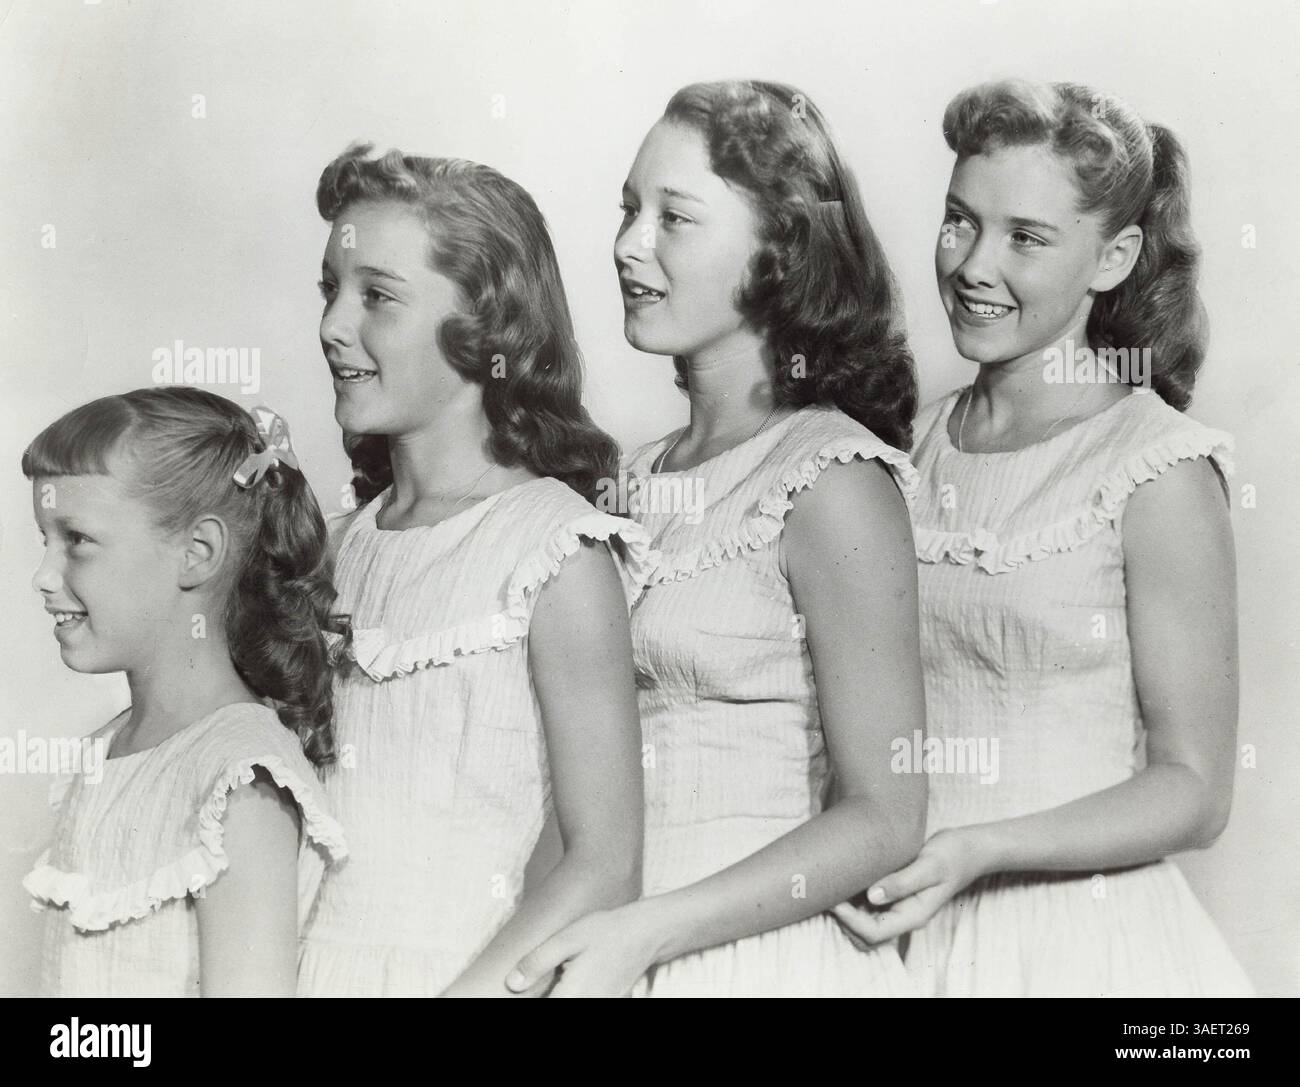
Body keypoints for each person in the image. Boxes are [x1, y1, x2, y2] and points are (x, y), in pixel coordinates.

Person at [834, 79, 1254, 997]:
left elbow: (1196, 787)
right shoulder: (896, 450)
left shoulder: (1159, 467)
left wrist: (984, 848)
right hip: (892, 932)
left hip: (1083, 947)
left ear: (1115, 257)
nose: (974, 264)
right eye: (958, 221)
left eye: (1025, 236)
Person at [508, 81, 926, 997]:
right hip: (608, 958)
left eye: (675, 218)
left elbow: (887, 816)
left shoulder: (833, 478)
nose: (628, 244)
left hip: (766, 965)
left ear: (780, 247)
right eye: (627, 209)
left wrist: (648, 931)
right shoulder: (622, 480)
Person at [297, 144, 652, 997]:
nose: (333, 326)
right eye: (331, 290)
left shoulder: (554, 550)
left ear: (485, 329)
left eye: (377, 296)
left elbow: (603, 862)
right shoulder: (330, 550)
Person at [23, 387, 347, 997]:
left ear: (197, 554)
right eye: (44, 539)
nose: (43, 576)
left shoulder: (238, 774)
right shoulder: (106, 750)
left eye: (77, 540)